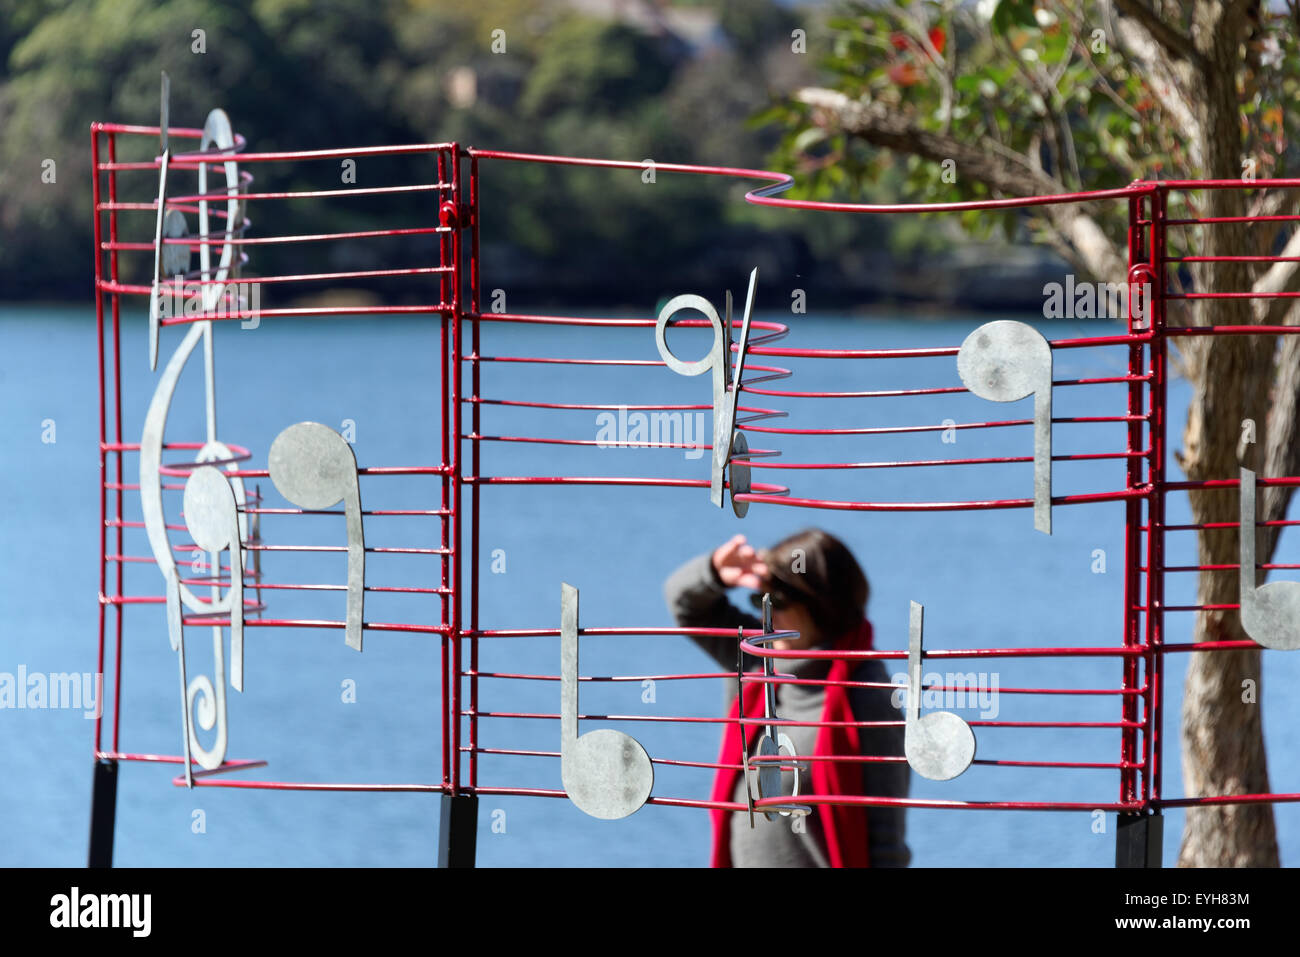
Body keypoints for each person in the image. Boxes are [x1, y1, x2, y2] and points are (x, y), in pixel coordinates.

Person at [663, 527, 911, 867]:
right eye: (759, 601)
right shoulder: (752, 661)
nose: (767, 615)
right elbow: (686, 605)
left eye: (777, 601)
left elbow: (885, 843)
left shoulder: (869, 694)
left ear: (822, 605)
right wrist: (716, 573)